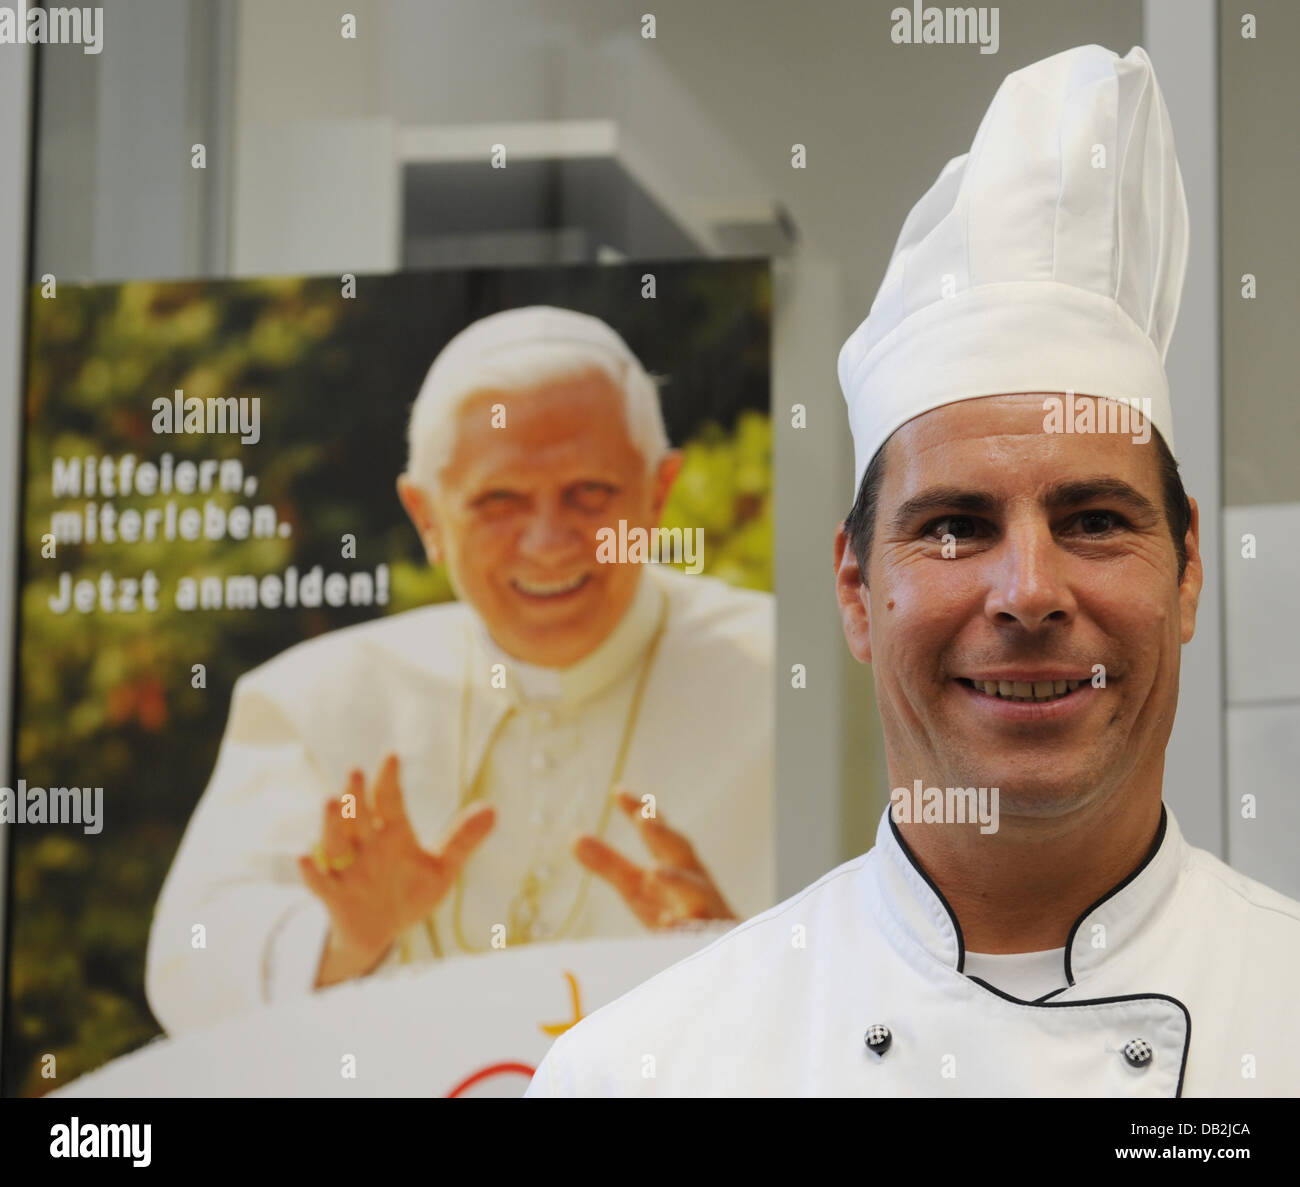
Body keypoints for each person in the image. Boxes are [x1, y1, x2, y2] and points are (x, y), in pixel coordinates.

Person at [525, 45, 1300, 1097]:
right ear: (854, 587)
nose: (1028, 590)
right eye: (954, 526)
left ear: (1189, 569)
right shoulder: (642, 1071)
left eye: (1092, 519)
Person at [145, 306, 774, 1035]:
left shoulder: (801, 681)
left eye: (590, 493)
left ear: (658, 494)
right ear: (427, 519)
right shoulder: (319, 700)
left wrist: (741, 960)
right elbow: (186, 963)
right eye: (498, 500)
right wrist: (345, 940)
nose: (548, 543)